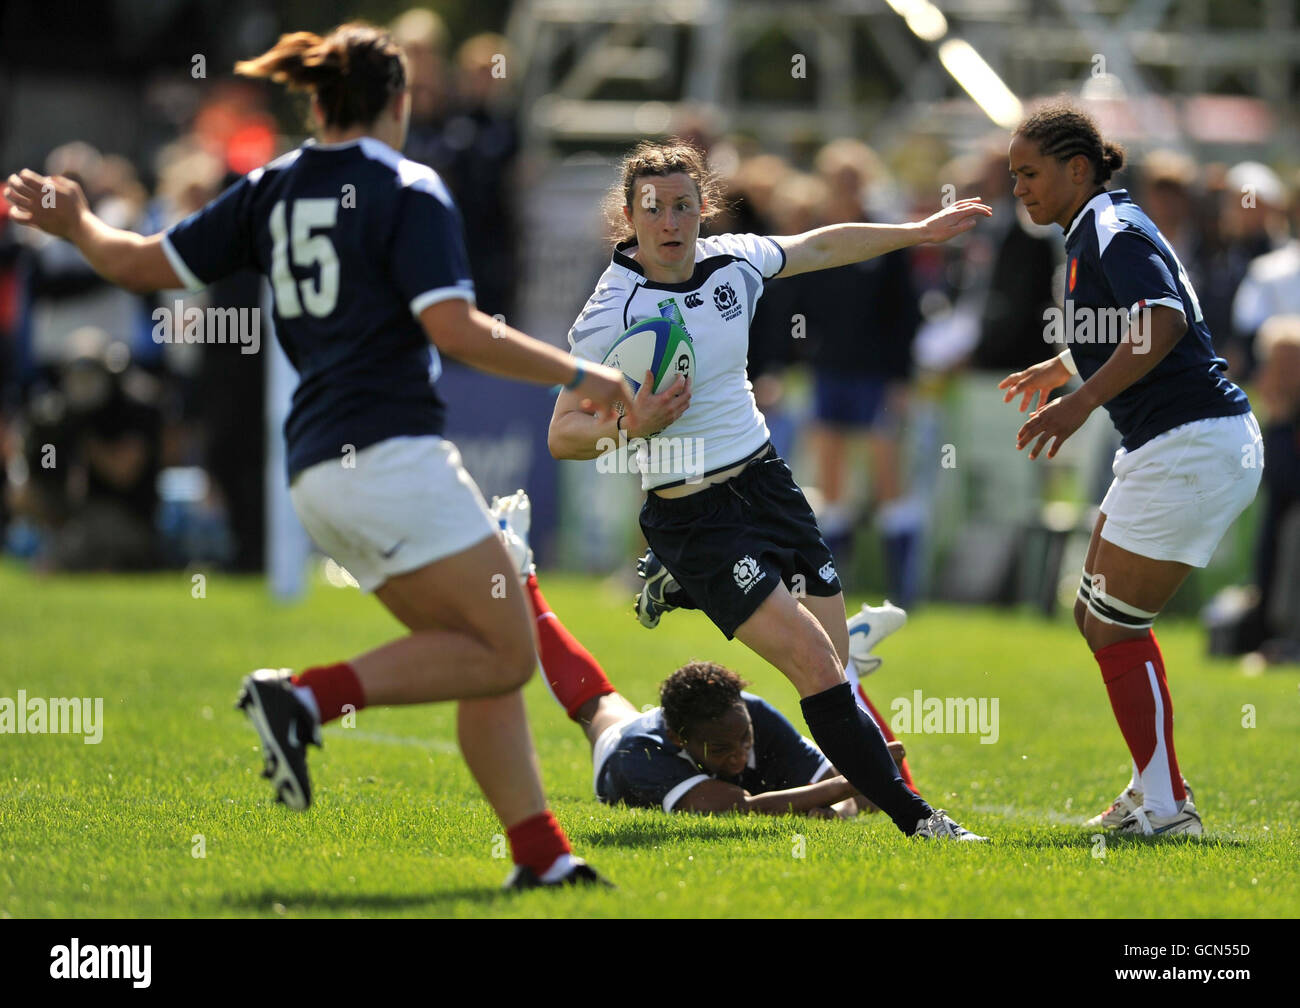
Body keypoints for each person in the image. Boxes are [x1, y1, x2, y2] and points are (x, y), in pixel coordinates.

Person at [4, 22, 637, 889]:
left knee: (479, 649)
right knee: (506, 650)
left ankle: (543, 858)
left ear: (315, 101)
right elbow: (453, 328)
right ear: (398, 100)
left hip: (314, 469)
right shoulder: (407, 186)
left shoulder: (269, 184)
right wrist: (581, 370)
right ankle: (303, 697)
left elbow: (147, 265)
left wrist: (77, 224)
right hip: (389, 455)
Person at [548, 139, 991, 840]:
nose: (670, 222)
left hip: (768, 482)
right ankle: (921, 820)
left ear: (704, 209)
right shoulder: (610, 311)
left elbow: (818, 246)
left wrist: (914, 232)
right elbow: (564, 434)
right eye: (653, 208)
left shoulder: (736, 261)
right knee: (815, 665)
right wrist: (636, 424)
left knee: (835, 667)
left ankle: (686, 587)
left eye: (684, 206)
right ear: (629, 216)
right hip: (693, 511)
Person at [999, 102, 1263, 836]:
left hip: (1192, 443)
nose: (1018, 187)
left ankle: (1168, 805)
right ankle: (1158, 790)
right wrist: (1062, 369)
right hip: (1172, 443)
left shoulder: (1109, 228)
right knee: (1098, 617)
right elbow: (1139, 325)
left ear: (1076, 169)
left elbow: (1164, 321)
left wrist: (1079, 401)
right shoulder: (1099, 225)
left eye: (1030, 173)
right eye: (1013, 174)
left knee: (1114, 627)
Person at [492, 489, 908, 817]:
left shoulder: (749, 714)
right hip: (621, 743)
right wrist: (852, 782)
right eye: (722, 748)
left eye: (743, 738)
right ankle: (523, 575)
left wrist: (846, 794)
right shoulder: (637, 757)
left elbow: (853, 797)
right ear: (677, 739)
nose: (740, 753)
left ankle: (841, 667)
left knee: (878, 794)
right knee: (595, 709)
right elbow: (740, 808)